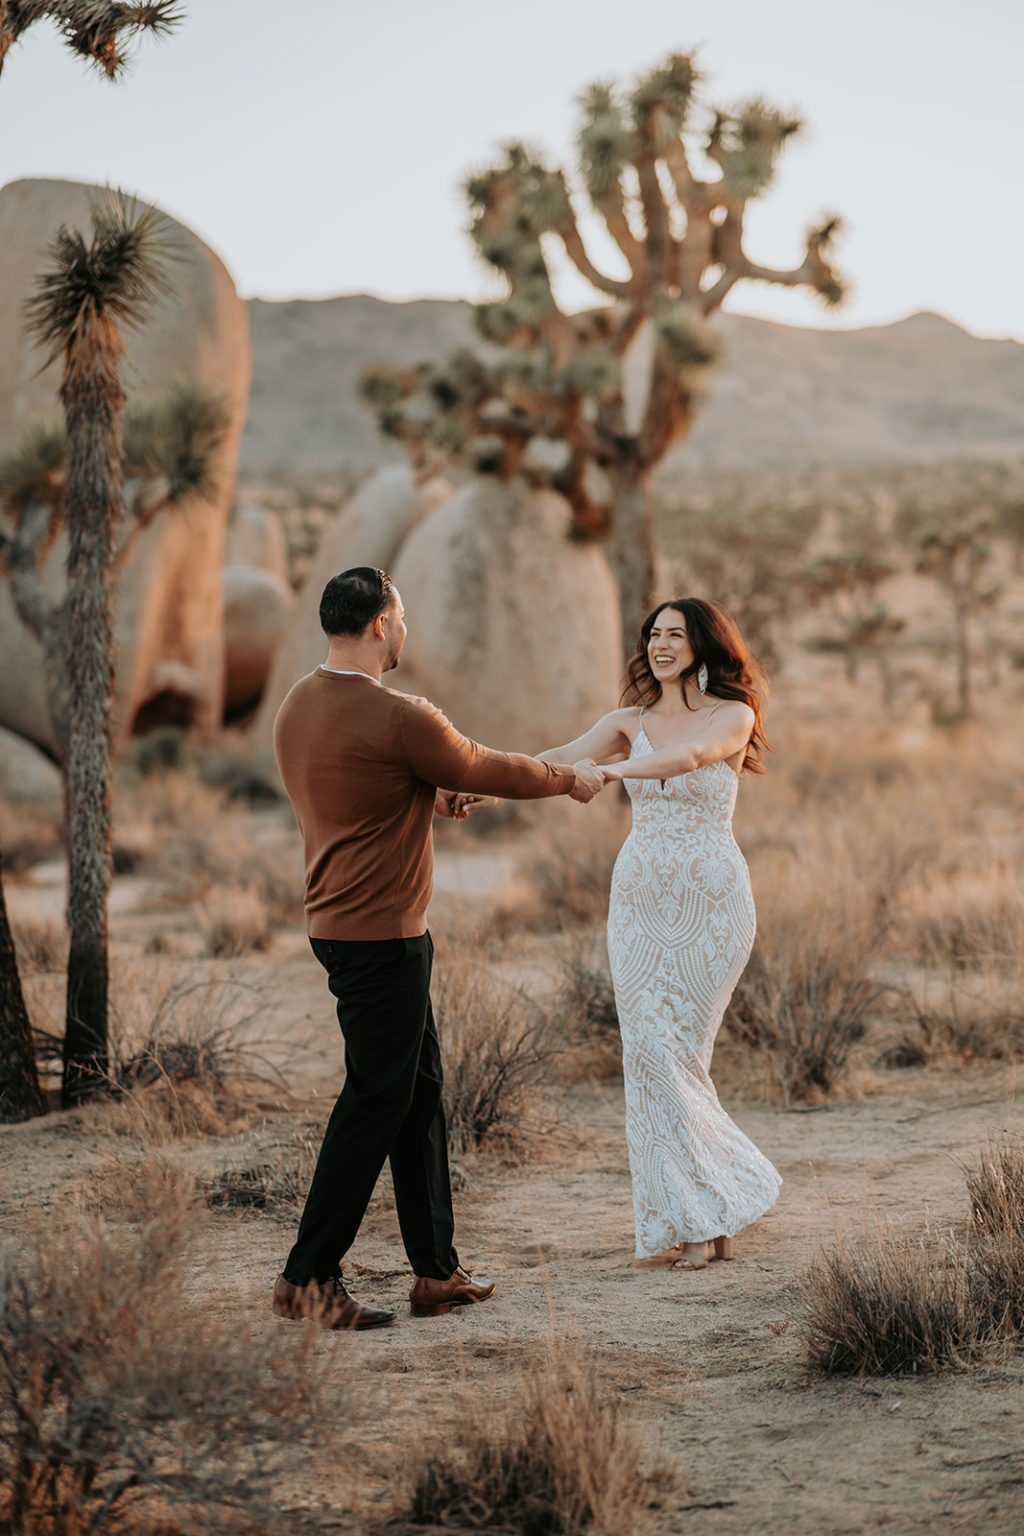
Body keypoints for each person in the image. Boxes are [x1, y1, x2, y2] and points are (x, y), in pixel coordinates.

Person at [270, 566, 605, 1330]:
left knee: (418, 1097)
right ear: (383, 623)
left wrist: (425, 789)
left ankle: (435, 1271)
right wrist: (568, 778)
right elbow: (486, 766)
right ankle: (307, 1279)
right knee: (374, 1103)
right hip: (382, 938)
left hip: (340, 927)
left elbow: (359, 787)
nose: (407, 627)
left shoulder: (299, 703)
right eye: (404, 615)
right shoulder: (399, 715)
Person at [534, 597, 781, 1270]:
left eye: (676, 634)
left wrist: (612, 773)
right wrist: (481, 785)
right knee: (647, 1051)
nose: (661, 644)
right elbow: (557, 758)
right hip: (640, 898)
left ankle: (711, 1211)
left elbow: (690, 757)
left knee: (682, 1057)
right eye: (653, 634)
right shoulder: (628, 722)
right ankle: (705, 1215)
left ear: (703, 645)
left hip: (711, 901)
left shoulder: (733, 714)